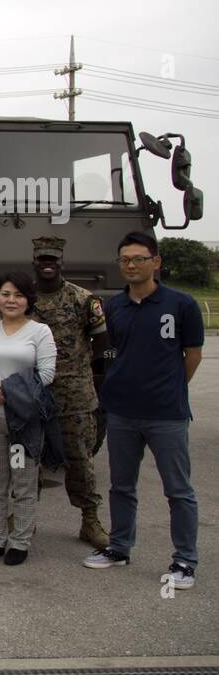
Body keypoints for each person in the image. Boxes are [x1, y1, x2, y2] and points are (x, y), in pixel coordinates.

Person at [84, 232, 203, 590]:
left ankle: (184, 559)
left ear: (156, 261)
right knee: (121, 486)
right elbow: (109, 352)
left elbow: (192, 354)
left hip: (166, 414)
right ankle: (119, 547)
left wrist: (168, 387)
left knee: (178, 490)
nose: (131, 265)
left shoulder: (182, 304)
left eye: (138, 258)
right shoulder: (114, 307)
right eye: (125, 260)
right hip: (121, 413)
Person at [0, 272, 57, 565]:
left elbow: (46, 374)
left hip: (22, 422)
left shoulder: (40, 332)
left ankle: (20, 540)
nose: (11, 300)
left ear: (28, 299)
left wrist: (9, 390)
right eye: (6, 294)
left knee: (23, 482)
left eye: (18, 295)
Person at [31, 236, 111, 548]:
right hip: (33, 394)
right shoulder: (24, 298)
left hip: (74, 396)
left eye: (53, 259)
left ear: (62, 262)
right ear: (34, 262)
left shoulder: (83, 299)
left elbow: (102, 345)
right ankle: (22, 519)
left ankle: (90, 521)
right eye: (42, 259)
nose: (48, 264)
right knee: (25, 460)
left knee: (80, 461)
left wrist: (86, 374)